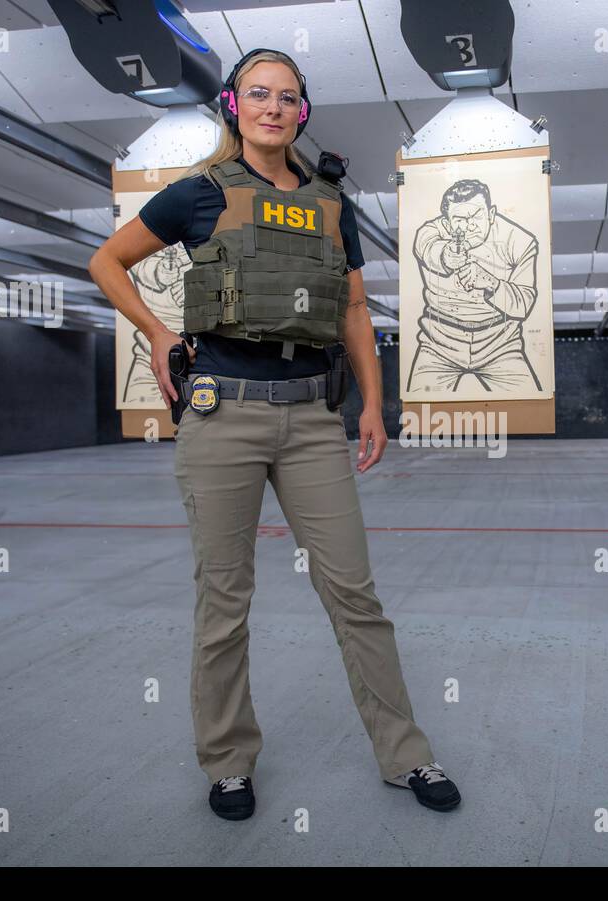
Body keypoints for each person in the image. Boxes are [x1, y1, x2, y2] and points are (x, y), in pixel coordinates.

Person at [89, 48, 459, 820]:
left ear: (302, 113)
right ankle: (228, 762)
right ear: (232, 105)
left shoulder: (331, 204)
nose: (273, 107)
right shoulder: (196, 193)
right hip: (222, 415)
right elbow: (109, 262)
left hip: (312, 416)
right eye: (257, 94)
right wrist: (157, 335)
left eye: (288, 97)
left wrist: (369, 402)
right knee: (224, 599)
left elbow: (354, 310)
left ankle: (406, 755)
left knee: (355, 593)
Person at [406, 179, 543, 394]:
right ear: (447, 222)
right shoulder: (431, 231)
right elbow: (426, 245)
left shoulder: (520, 241)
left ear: (491, 214)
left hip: (500, 344)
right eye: (459, 219)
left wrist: (490, 282)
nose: (469, 226)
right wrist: (445, 256)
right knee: (419, 415)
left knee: (530, 409)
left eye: (476, 216)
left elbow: (523, 304)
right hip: (439, 343)